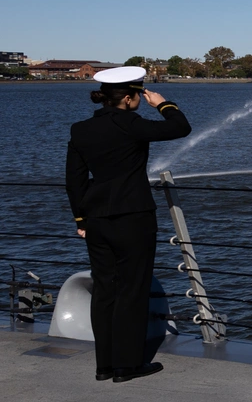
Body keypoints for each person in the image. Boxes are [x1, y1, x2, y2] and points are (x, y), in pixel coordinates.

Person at [65, 66, 192, 383]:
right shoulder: (132, 124)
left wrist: (81, 218)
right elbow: (180, 128)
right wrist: (163, 104)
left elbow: (74, 181)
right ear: (131, 97)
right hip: (133, 218)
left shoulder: (80, 130)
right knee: (132, 291)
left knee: (105, 290)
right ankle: (128, 365)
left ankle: (105, 365)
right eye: (139, 93)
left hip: (96, 220)